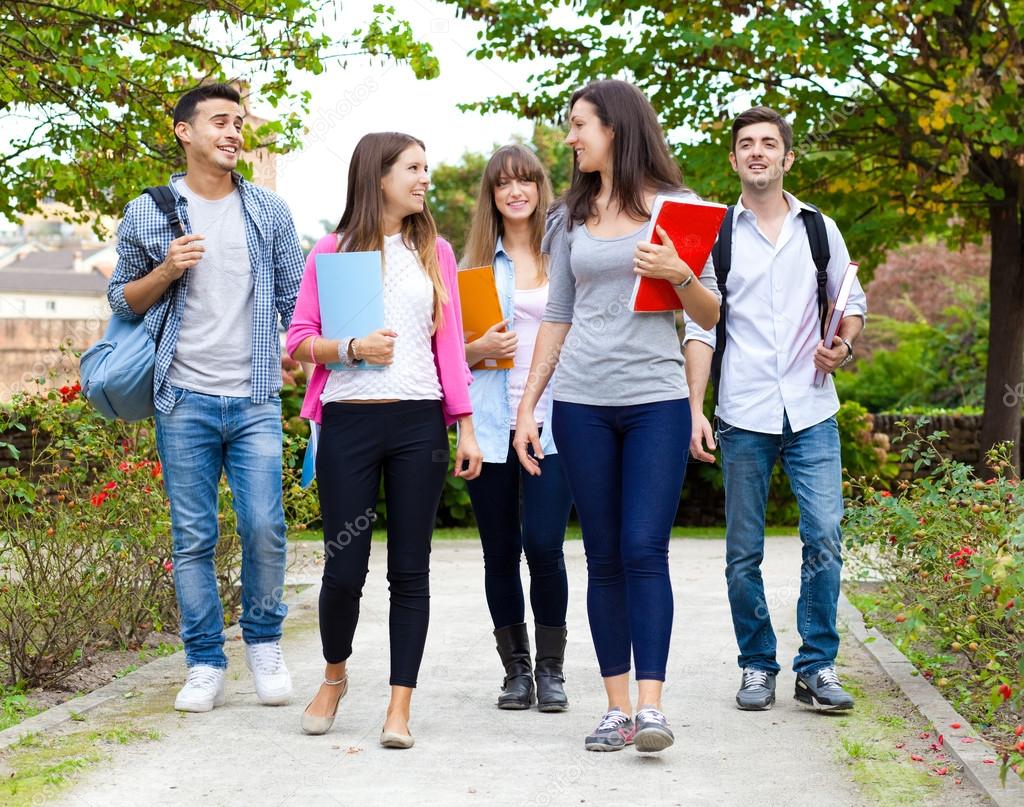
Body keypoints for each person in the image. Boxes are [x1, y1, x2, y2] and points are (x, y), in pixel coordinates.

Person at [513, 80, 720, 752]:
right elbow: (557, 314)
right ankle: (616, 707)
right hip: (580, 403)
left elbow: (711, 314)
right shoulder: (569, 215)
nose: (570, 138)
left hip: (656, 399)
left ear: (618, 128)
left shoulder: (679, 210)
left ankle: (653, 707)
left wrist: (678, 271)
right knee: (601, 554)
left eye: (580, 125)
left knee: (642, 548)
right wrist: (528, 406)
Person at [107, 83, 305, 712]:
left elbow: (295, 306)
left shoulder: (268, 212)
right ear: (183, 131)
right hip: (182, 397)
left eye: (240, 123)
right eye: (219, 121)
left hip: (253, 399)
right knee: (192, 536)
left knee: (264, 526)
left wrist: (320, 353)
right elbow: (122, 301)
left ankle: (265, 642)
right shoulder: (149, 212)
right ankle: (203, 661)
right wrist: (166, 269)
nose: (233, 133)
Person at [286, 132, 483, 748]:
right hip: (349, 419)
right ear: (378, 177)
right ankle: (334, 676)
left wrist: (466, 424)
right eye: (413, 168)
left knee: (410, 569)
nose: (425, 178)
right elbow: (297, 341)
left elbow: (448, 346)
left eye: (427, 166)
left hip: (418, 422)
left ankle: (400, 705)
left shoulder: (437, 253)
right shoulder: (330, 251)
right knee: (344, 569)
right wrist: (351, 350)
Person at [683, 106, 867, 712]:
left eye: (769, 144)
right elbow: (701, 328)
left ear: (786, 159)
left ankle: (816, 667)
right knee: (743, 553)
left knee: (825, 537)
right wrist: (695, 408)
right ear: (734, 160)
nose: (757, 152)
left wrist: (841, 343)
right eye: (746, 144)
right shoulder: (718, 236)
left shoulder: (820, 228)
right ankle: (757, 665)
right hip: (742, 412)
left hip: (813, 408)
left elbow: (851, 301)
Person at [461, 144, 574, 712]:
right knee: (499, 552)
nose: (515, 191)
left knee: (544, 545)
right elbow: (445, 359)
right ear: (492, 196)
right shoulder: (473, 269)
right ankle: (517, 671)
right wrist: (475, 349)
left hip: (555, 420)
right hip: (489, 422)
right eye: (503, 183)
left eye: (525, 180)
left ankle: (553, 670)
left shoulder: (567, 255)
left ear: (539, 187)